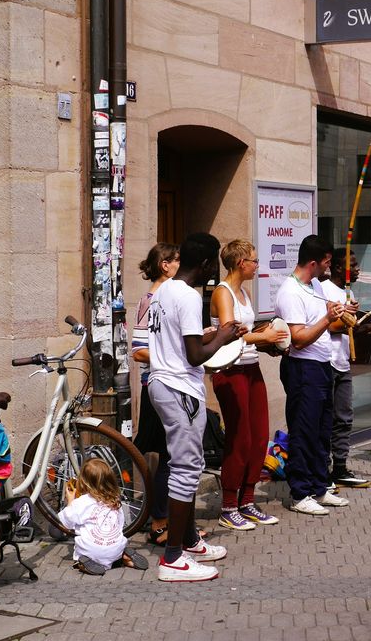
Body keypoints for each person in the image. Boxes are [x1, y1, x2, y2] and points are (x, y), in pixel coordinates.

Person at [147, 232, 243, 582]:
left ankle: (188, 541)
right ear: (204, 264)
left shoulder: (166, 289)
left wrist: (213, 334)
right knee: (186, 469)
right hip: (179, 388)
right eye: (213, 263)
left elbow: (179, 341)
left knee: (184, 462)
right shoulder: (187, 296)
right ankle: (172, 558)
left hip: (161, 382)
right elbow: (195, 355)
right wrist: (224, 336)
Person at [209, 240, 286, 531]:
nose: (257, 265)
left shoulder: (244, 292)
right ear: (241, 263)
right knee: (239, 437)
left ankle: (247, 500)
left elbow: (247, 333)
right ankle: (229, 505)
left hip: (251, 367)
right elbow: (229, 334)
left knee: (258, 436)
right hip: (231, 371)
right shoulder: (223, 292)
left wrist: (269, 337)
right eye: (254, 260)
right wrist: (263, 338)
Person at [274, 235, 350, 515]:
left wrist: (338, 315)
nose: (329, 269)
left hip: (322, 365)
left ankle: (321, 485)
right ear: (314, 262)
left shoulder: (315, 285)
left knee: (322, 431)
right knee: (304, 431)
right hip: (302, 368)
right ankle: (300, 492)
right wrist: (327, 318)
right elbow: (299, 338)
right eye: (327, 263)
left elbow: (324, 325)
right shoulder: (290, 292)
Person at [131, 242, 179, 547]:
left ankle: (164, 518)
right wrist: (175, 357)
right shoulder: (152, 300)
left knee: (165, 455)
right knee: (165, 455)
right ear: (165, 265)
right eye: (176, 261)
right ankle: (160, 522)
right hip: (157, 386)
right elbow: (138, 352)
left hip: (166, 383)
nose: (179, 266)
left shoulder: (167, 297)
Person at [320, 248, 370, 488]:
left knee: (344, 417)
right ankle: (323, 470)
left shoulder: (346, 291)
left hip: (342, 363)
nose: (358, 268)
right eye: (353, 264)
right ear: (338, 268)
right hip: (326, 362)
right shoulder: (324, 290)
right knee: (325, 419)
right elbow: (329, 325)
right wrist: (348, 318)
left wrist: (359, 322)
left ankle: (340, 467)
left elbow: (347, 325)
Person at [57, 458, 148, 575]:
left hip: (91, 551)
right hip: (116, 549)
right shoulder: (115, 500)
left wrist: (70, 501)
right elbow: (119, 525)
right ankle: (122, 557)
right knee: (113, 549)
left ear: (83, 481)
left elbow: (66, 523)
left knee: (80, 556)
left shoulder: (82, 502)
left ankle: (84, 563)